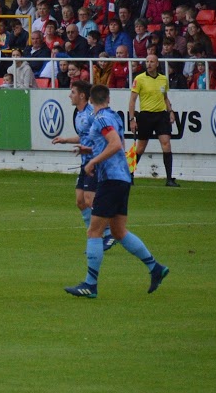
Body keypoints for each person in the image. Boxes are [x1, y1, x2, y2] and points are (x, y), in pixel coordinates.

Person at [65, 85, 170, 298]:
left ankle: (90, 284)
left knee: (94, 231)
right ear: (108, 99)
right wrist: (89, 150)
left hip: (110, 180)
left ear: (91, 100)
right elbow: (117, 143)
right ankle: (155, 268)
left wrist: (93, 161)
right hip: (122, 178)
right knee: (119, 231)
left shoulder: (101, 119)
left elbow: (115, 145)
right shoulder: (114, 116)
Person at [50, 76, 115, 248]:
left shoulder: (92, 115)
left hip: (95, 161)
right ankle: (93, 234)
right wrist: (65, 140)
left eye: (72, 92)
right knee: (80, 201)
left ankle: (108, 232)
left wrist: (93, 152)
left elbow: (103, 138)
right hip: (85, 162)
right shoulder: (78, 114)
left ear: (82, 96)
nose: (69, 95)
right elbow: (84, 136)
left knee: (90, 199)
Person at [127, 51, 178, 186]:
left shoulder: (163, 79)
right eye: (147, 61)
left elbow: (165, 98)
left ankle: (169, 178)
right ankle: (129, 174)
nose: (148, 64)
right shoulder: (139, 79)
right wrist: (132, 119)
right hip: (146, 115)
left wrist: (170, 111)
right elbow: (132, 100)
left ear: (157, 64)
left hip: (161, 115)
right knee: (141, 147)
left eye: (151, 62)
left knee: (166, 143)